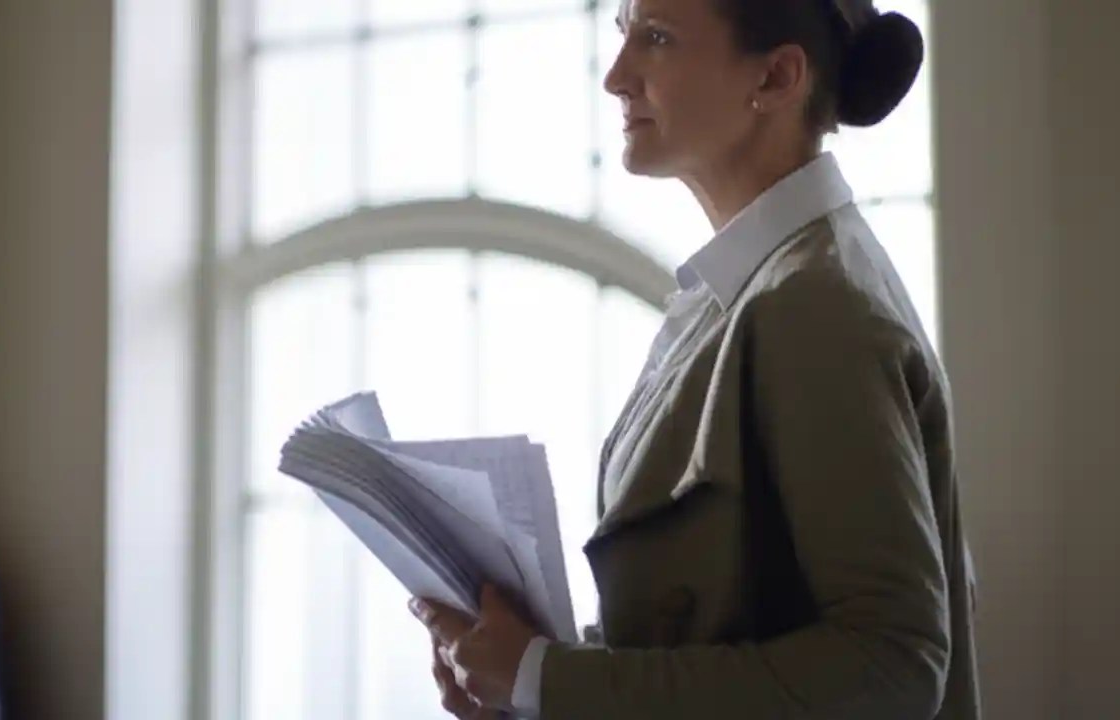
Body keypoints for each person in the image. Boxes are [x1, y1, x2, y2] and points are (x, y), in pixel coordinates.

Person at [409, 0, 980, 717]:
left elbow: (890, 668)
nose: (616, 77)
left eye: (656, 38)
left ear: (776, 77)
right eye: (624, 34)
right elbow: (721, 622)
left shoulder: (814, 304)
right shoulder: (753, 291)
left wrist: (547, 680)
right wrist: (525, 682)